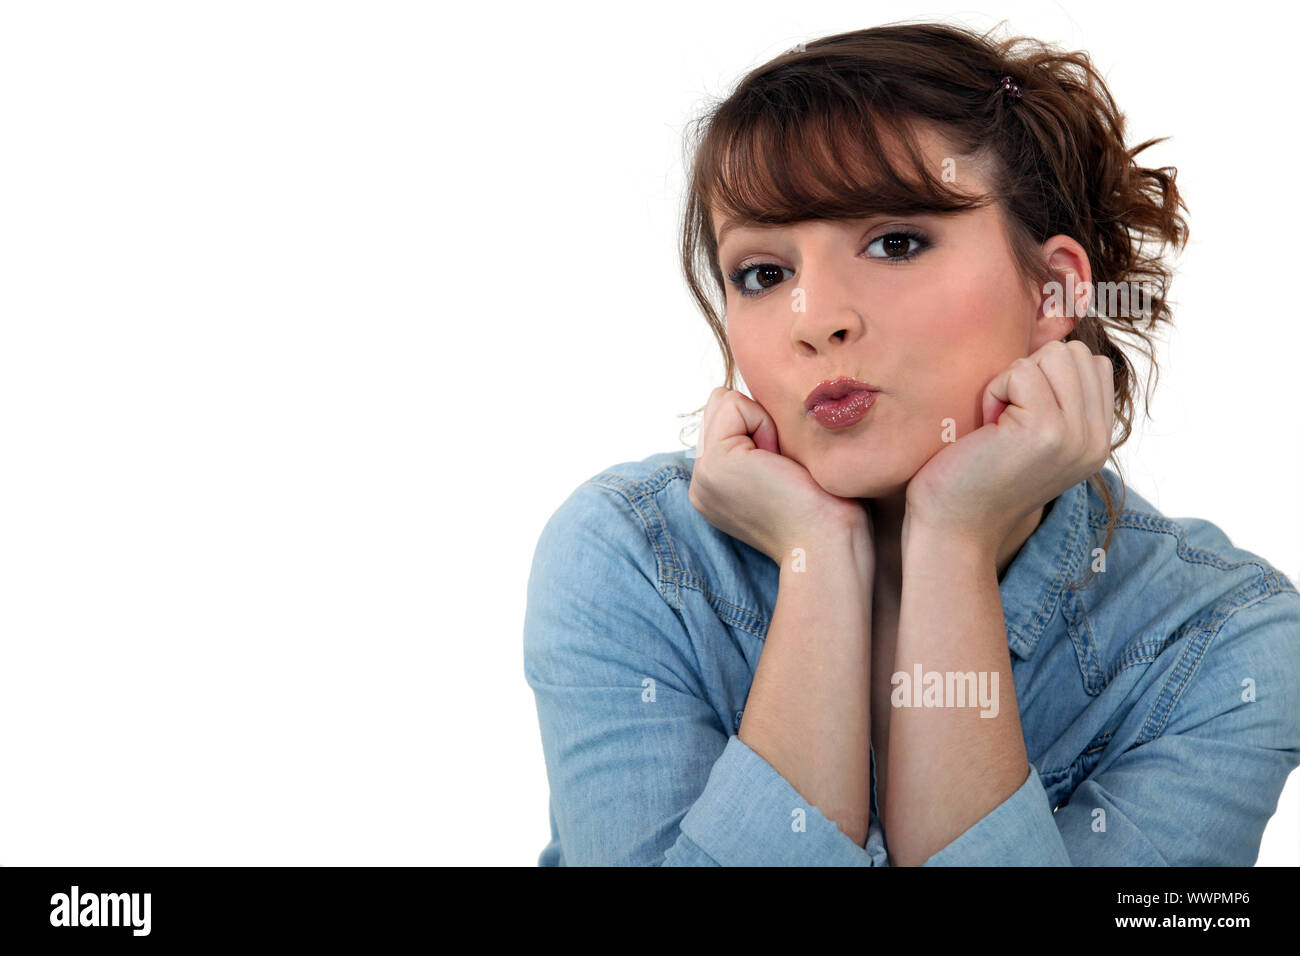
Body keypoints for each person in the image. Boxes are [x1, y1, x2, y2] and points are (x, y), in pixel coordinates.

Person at [522, 20, 1300, 865]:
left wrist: (952, 540)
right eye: (764, 274)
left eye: (895, 243)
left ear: (1055, 291)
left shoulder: (1224, 639)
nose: (816, 319)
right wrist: (816, 554)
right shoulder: (632, 558)